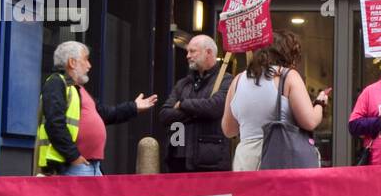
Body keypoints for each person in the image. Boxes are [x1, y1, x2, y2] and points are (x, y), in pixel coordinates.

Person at [36, 41, 157, 176]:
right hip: (72, 165)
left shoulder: (78, 89)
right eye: (86, 60)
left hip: (90, 165)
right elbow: (54, 124)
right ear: (72, 62)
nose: (89, 65)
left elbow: (104, 113)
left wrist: (133, 107)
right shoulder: (56, 83)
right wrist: (74, 157)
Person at [221, 30, 329, 170]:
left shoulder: (238, 80)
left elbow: (229, 130)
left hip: (245, 161)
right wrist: (320, 103)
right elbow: (310, 121)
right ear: (288, 54)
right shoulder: (288, 76)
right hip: (280, 158)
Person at [158, 34, 231, 173]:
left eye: (192, 51)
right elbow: (165, 115)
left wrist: (183, 104)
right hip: (177, 159)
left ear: (208, 52)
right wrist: (197, 112)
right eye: (187, 52)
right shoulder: (183, 83)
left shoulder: (226, 80)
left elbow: (214, 108)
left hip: (209, 161)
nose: (187, 56)